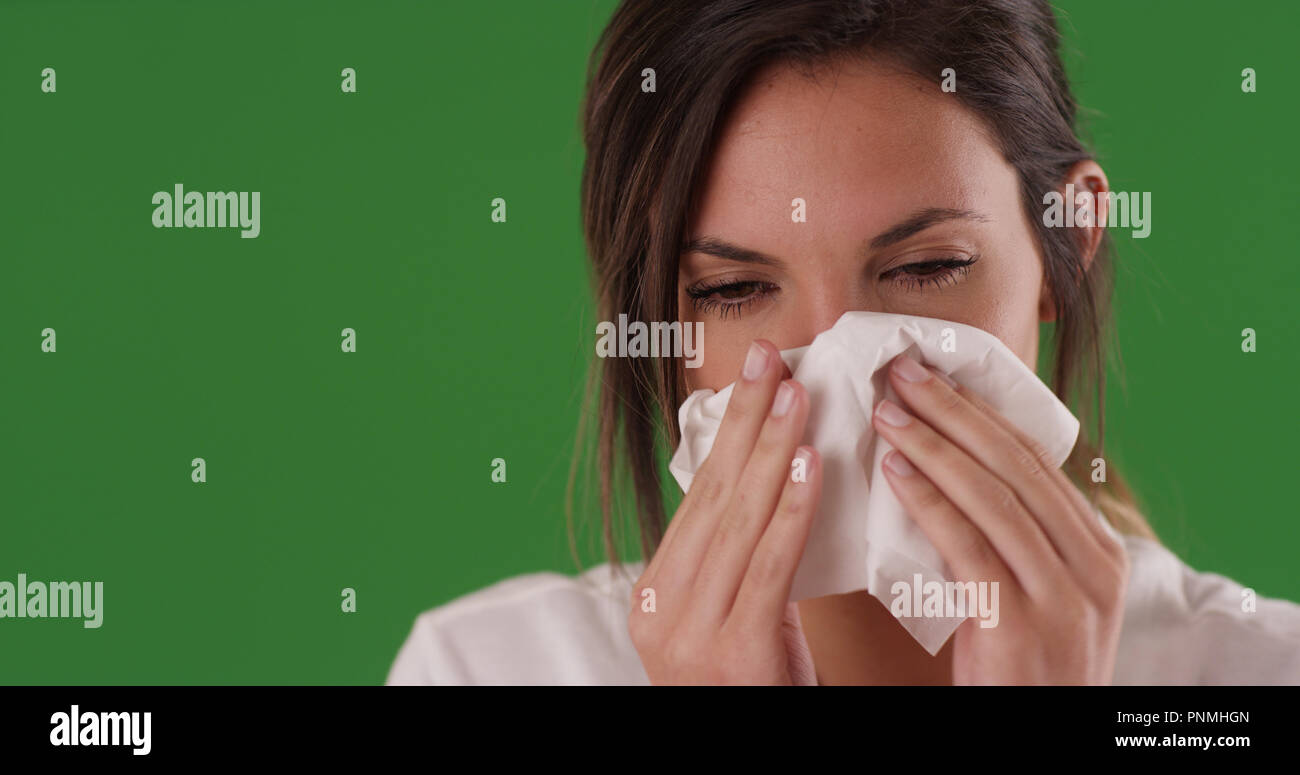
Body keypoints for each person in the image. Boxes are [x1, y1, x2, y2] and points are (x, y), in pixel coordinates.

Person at [387, 0, 1300, 685]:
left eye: (928, 268)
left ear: (1067, 250)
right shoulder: (486, 669)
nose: (839, 358)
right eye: (734, 289)